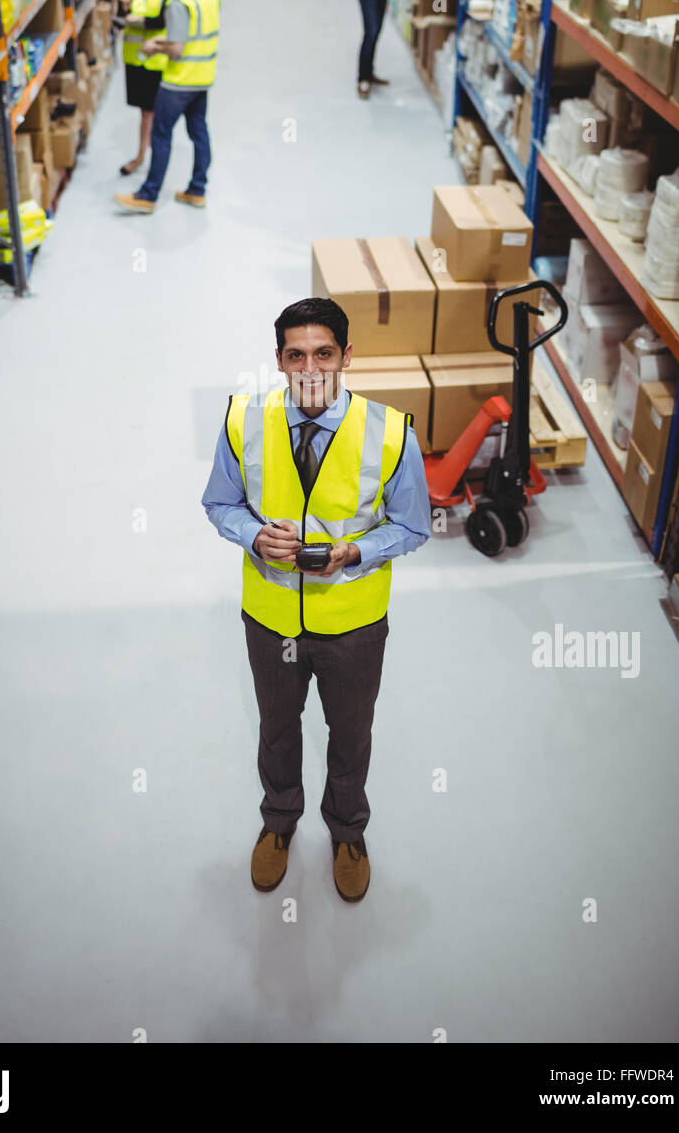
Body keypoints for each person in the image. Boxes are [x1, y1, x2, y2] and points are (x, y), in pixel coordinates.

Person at [201, 297, 432, 903]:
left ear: (346, 357)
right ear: (278, 360)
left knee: (350, 733)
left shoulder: (390, 432)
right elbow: (219, 504)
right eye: (296, 354)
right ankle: (279, 822)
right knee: (277, 730)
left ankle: (348, 831)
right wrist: (254, 534)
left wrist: (352, 552)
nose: (311, 367)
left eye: (324, 353)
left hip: (353, 626)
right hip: (272, 619)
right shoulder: (242, 419)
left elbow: (413, 526)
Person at [114, 0, 221, 214]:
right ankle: (197, 190)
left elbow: (177, 48)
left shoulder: (179, 0)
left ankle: (148, 196)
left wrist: (153, 46)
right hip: (203, 77)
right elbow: (193, 33)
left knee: (161, 135)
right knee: (199, 133)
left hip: (179, 80)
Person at [116, 0, 179, 177]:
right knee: (145, 111)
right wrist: (123, 10)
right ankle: (147, 154)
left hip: (157, 58)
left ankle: (144, 156)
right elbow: (121, 18)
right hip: (134, 58)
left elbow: (164, 20)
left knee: (152, 112)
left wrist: (138, 20)